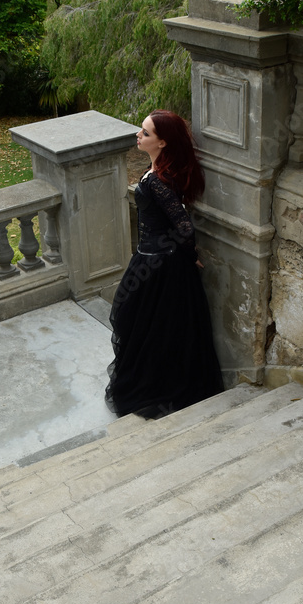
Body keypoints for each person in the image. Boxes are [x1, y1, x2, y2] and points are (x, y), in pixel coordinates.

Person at [105, 109, 224, 419]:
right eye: (141, 131)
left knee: (152, 327)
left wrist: (189, 256)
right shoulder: (157, 168)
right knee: (145, 326)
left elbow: (184, 227)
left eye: (145, 133)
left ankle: (155, 387)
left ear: (163, 142)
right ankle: (153, 380)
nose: (138, 135)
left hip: (159, 265)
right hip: (149, 259)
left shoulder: (159, 181)